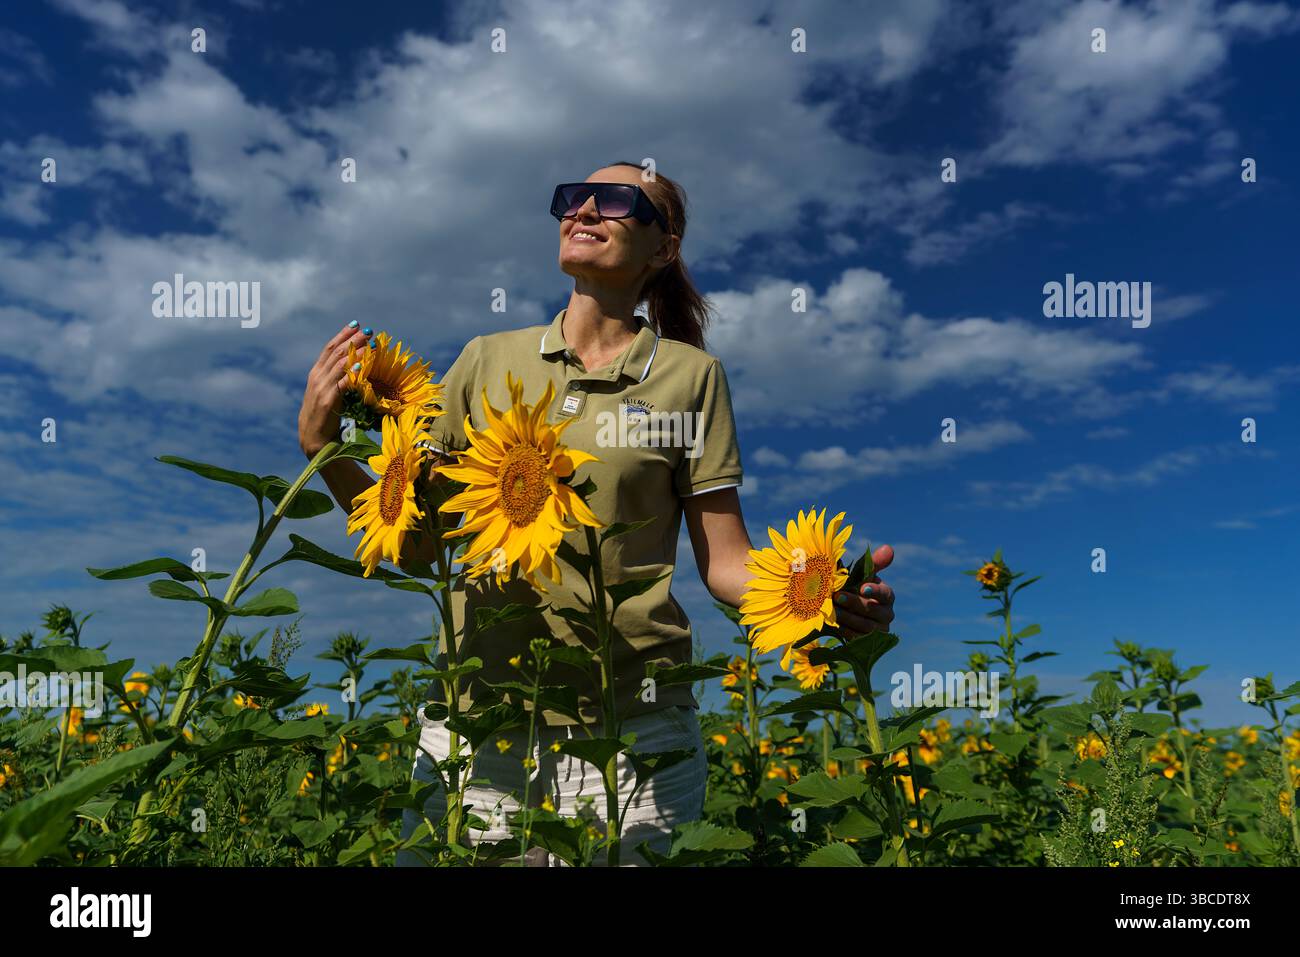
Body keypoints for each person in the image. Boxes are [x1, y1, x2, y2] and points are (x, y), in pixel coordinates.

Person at [297, 162, 898, 865]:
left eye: (614, 199)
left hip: (636, 737)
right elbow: (421, 548)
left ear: (663, 248)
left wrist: (816, 593)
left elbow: (727, 563)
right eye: (568, 198)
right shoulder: (484, 361)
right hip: (481, 728)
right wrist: (323, 448)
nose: (581, 209)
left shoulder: (689, 378)